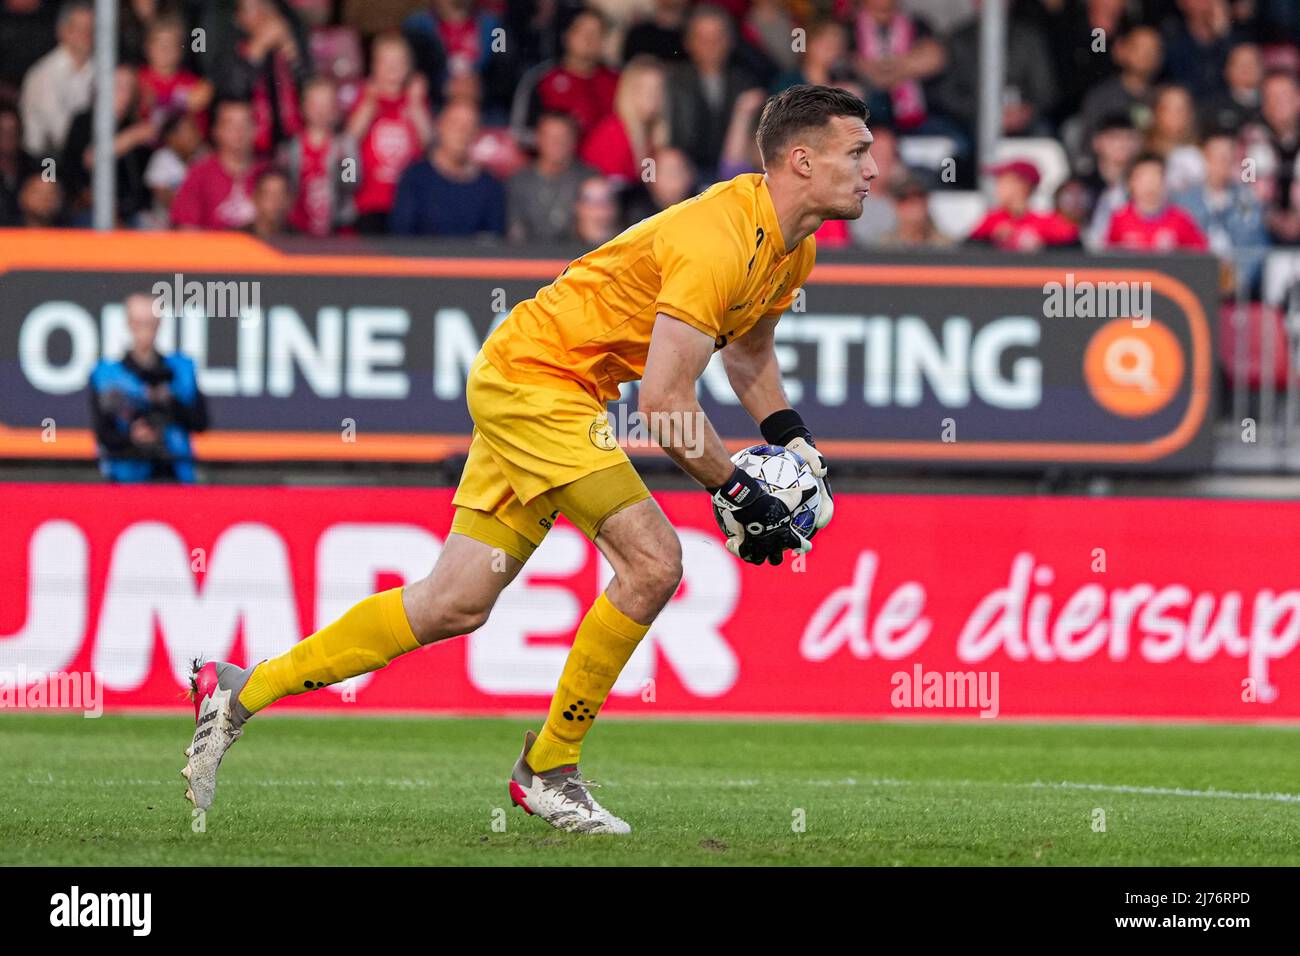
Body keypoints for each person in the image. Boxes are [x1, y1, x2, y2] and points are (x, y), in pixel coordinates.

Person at [183, 84, 870, 834]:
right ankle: (548, 768)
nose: (874, 168)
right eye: (858, 151)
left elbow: (749, 352)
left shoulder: (791, 248)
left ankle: (238, 689)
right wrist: (742, 490)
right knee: (654, 562)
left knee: (454, 602)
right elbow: (667, 406)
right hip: (540, 381)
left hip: (544, 379)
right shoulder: (718, 238)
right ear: (801, 160)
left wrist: (795, 441)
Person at [89, 292, 209, 483]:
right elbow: (103, 434)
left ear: (160, 324)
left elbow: (201, 423)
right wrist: (133, 436)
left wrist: (168, 401)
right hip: (126, 478)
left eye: (151, 323)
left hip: (174, 474)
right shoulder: (106, 376)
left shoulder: (179, 371)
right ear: (129, 324)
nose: (145, 331)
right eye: (139, 322)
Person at [389, 99, 505, 237]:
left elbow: (494, 243)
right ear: (439, 126)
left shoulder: (490, 187)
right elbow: (402, 237)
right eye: (455, 124)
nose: (462, 132)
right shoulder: (415, 179)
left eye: (469, 126)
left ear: (477, 132)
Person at [170, 98, 267, 230]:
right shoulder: (199, 173)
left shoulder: (267, 172)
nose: (239, 132)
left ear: (255, 129)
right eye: (231, 125)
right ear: (216, 131)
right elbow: (186, 228)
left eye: (245, 124)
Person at [19, 0, 94, 158]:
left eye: (91, 28)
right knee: (49, 178)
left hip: (87, 155)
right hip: (46, 159)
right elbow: (60, 133)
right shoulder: (43, 75)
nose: (86, 35)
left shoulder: (102, 69)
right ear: (62, 31)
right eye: (79, 29)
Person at [506, 111, 596, 243]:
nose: (557, 143)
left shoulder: (589, 180)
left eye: (563, 137)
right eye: (551, 137)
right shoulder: (519, 182)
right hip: (530, 257)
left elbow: (601, 235)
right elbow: (514, 234)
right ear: (538, 139)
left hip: (578, 256)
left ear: (574, 140)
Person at [967, 159, 1080, 252]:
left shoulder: (1047, 222)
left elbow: (1075, 248)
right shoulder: (992, 220)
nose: (998, 188)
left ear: (1022, 186)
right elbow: (966, 250)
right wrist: (991, 240)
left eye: (1004, 182)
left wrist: (1042, 247)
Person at [1104, 153, 1208, 252]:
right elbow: (1107, 260)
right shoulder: (1119, 219)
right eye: (1144, 178)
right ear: (1131, 183)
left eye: (1155, 177)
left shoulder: (1181, 219)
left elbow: (1201, 257)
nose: (1150, 184)